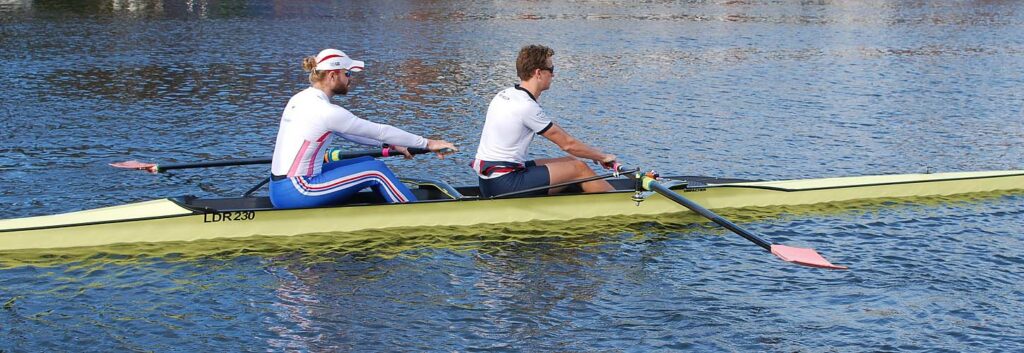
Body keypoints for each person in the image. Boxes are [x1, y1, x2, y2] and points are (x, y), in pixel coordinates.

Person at [270, 48, 457, 209]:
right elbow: (381, 131)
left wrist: (392, 145)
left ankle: (386, 205)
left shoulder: (300, 99)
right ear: (332, 75)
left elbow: (351, 133)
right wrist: (428, 143)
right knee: (376, 170)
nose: (350, 79)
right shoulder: (326, 111)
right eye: (347, 74)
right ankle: (416, 215)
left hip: (280, 188)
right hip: (298, 190)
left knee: (367, 161)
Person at [472, 44, 617, 198]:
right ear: (538, 73)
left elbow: (563, 139)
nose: (553, 75)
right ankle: (619, 202)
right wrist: (602, 157)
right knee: (579, 168)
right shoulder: (525, 106)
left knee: (569, 161)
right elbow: (567, 144)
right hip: (504, 184)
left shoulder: (505, 94)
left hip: (489, 181)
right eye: (551, 69)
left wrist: (594, 154)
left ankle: (588, 198)